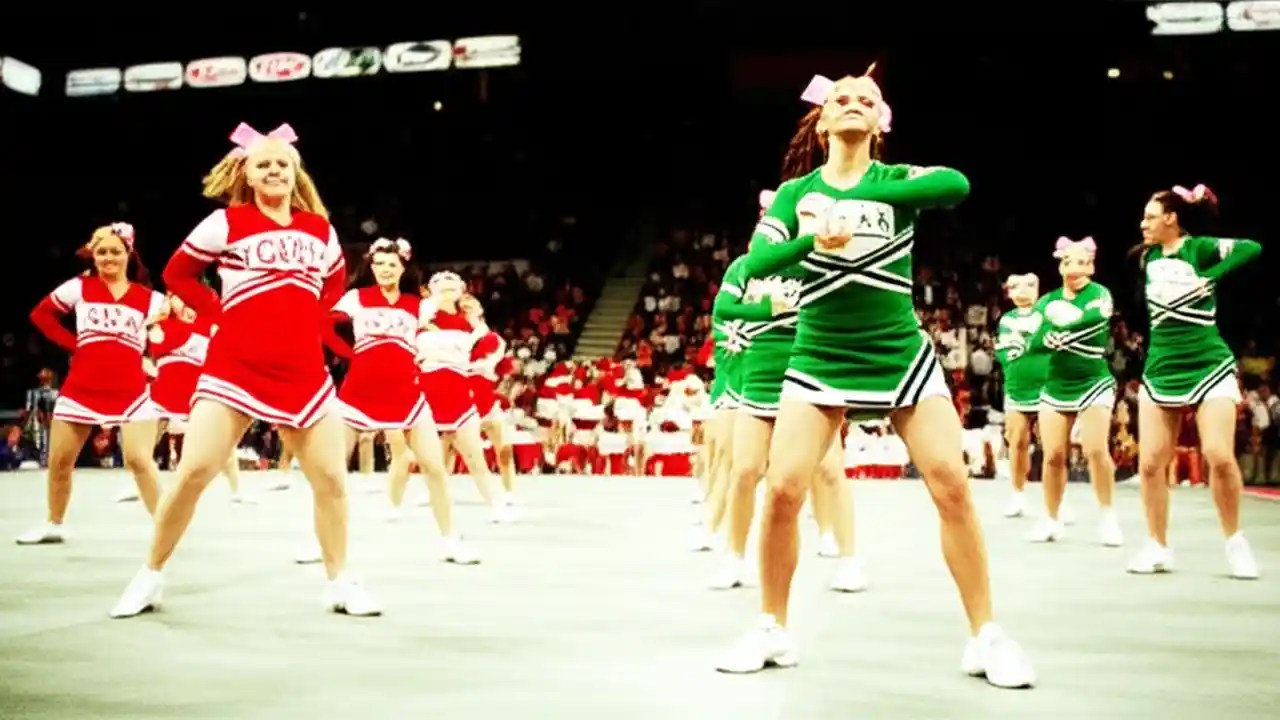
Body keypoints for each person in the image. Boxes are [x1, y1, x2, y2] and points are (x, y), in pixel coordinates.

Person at [715, 71, 1034, 689]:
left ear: (880, 122)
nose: (854, 104)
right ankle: (771, 627)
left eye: (867, 99)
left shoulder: (896, 181)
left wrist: (874, 199)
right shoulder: (794, 193)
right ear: (823, 121)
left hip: (897, 352)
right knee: (781, 490)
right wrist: (815, 235)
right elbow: (757, 263)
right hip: (819, 357)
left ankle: (986, 635)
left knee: (950, 485)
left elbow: (958, 184)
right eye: (842, 100)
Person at [110, 122, 381, 618]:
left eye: (282, 163)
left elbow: (334, 282)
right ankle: (149, 574)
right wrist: (220, 315)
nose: (274, 170)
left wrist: (302, 322)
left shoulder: (319, 229)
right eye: (264, 164)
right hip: (233, 368)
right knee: (193, 473)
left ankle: (340, 580)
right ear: (248, 174)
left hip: (304, 374)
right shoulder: (226, 223)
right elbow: (178, 274)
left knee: (332, 481)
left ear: (294, 172)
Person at [1129, 183, 1261, 578]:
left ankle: (1235, 542)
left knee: (1219, 455)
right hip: (1161, 366)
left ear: (1172, 218)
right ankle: (1157, 545)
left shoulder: (1199, 248)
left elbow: (1251, 248)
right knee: (1151, 463)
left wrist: (1212, 277)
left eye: (1151, 217)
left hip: (1208, 362)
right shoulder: (1145, 258)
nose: (1144, 223)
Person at [322, 237, 478, 563]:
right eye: (379, 264)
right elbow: (324, 327)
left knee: (435, 467)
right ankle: (321, 542)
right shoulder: (356, 298)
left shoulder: (417, 305)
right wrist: (351, 355)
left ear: (403, 267)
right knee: (332, 472)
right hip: (358, 394)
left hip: (406, 394)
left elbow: (449, 317)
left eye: (392, 264)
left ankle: (449, 540)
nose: (385, 270)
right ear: (371, 267)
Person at [18, 223, 165, 545]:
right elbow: (41, 315)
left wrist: (153, 359)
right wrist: (74, 345)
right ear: (93, 256)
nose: (108, 257)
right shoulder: (78, 288)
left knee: (140, 460)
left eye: (115, 251)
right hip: (81, 389)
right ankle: (55, 523)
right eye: (102, 252)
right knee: (59, 462)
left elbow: (166, 338)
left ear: (128, 254)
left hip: (131, 391)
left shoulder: (152, 300)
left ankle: (167, 528)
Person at [1026, 237, 1124, 548]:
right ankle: (1051, 519)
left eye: (1084, 262)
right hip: (1056, 385)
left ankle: (1107, 517)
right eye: (1072, 262)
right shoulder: (1046, 302)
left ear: (1092, 266)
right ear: (1061, 265)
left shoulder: (1100, 294)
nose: (1078, 268)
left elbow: (1097, 319)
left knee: (1095, 449)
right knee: (1053, 454)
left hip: (1094, 380)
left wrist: (1063, 332)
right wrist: (1046, 340)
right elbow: (1035, 340)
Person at [417, 274, 513, 523]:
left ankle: (496, 504)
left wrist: (475, 320)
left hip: (459, 393)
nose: (447, 291)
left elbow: (490, 347)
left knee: (474, 456)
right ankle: (407, 499)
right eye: (441, 288)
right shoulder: (419, 319)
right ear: (431, 291)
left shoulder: (471, 325)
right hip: (426, 392)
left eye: (453, 288)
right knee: (420, 455)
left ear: (462, 291)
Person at [148, 294, 250, 503]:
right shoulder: (160, 325)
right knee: (146, 441)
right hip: (165, 392)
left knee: (224, 443)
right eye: (178, 299)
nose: (186, 305)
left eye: (191, 302)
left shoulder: (210, 325)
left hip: (197, 393)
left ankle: (236, 490)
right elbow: (157, 348)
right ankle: (137, 485)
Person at [993, 273, 1049, 518]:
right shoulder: (1006, 320)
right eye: (1015, 286)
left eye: (1029, 285)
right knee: (1017, 442)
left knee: (1053, 446)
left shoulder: (1047, 316)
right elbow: (1006, 353)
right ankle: (1017, 494)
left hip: (1048, 387)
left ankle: (1057, 498)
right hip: (1017, 388)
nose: (1022, 291)